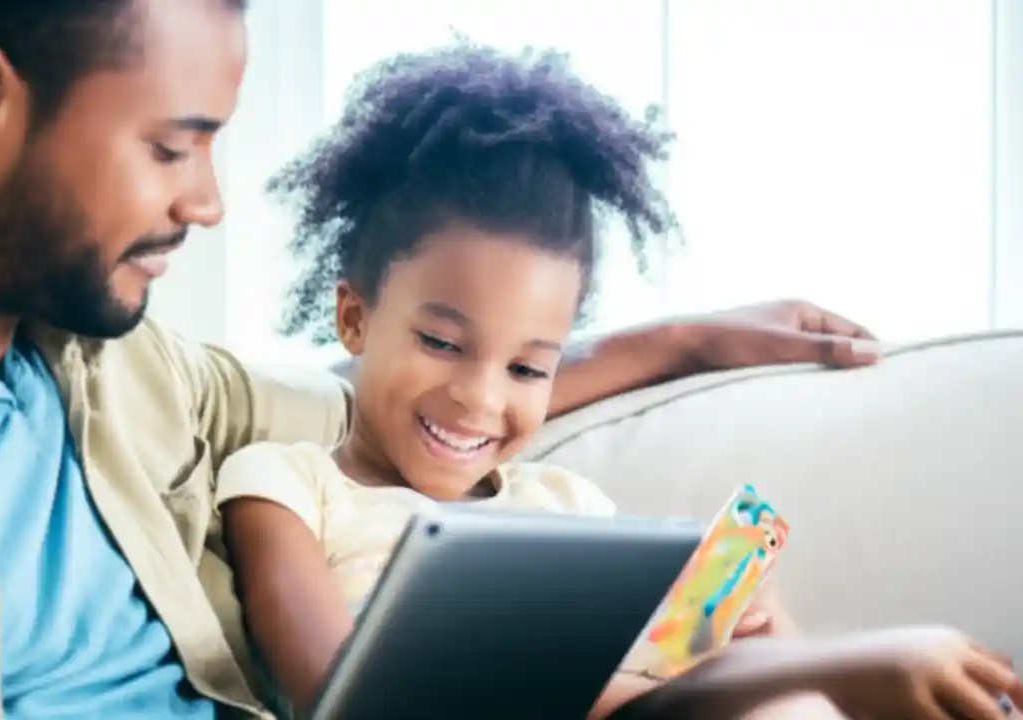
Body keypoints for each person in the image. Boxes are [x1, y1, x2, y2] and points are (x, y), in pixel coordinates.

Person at [0, 1, 911, 718]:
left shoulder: (111, 364)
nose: (204, 203)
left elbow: (372, 407)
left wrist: (677, 340)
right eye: (170, 146)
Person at [215, 43, 1023, 720]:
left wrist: (751, 642)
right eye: (440, 341)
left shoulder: (572, 510)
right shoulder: (286, 482)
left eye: (529, 367)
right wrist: (826, 666)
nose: (480, 399)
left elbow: (665, 685)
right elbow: (342, 694)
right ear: (354, 320)